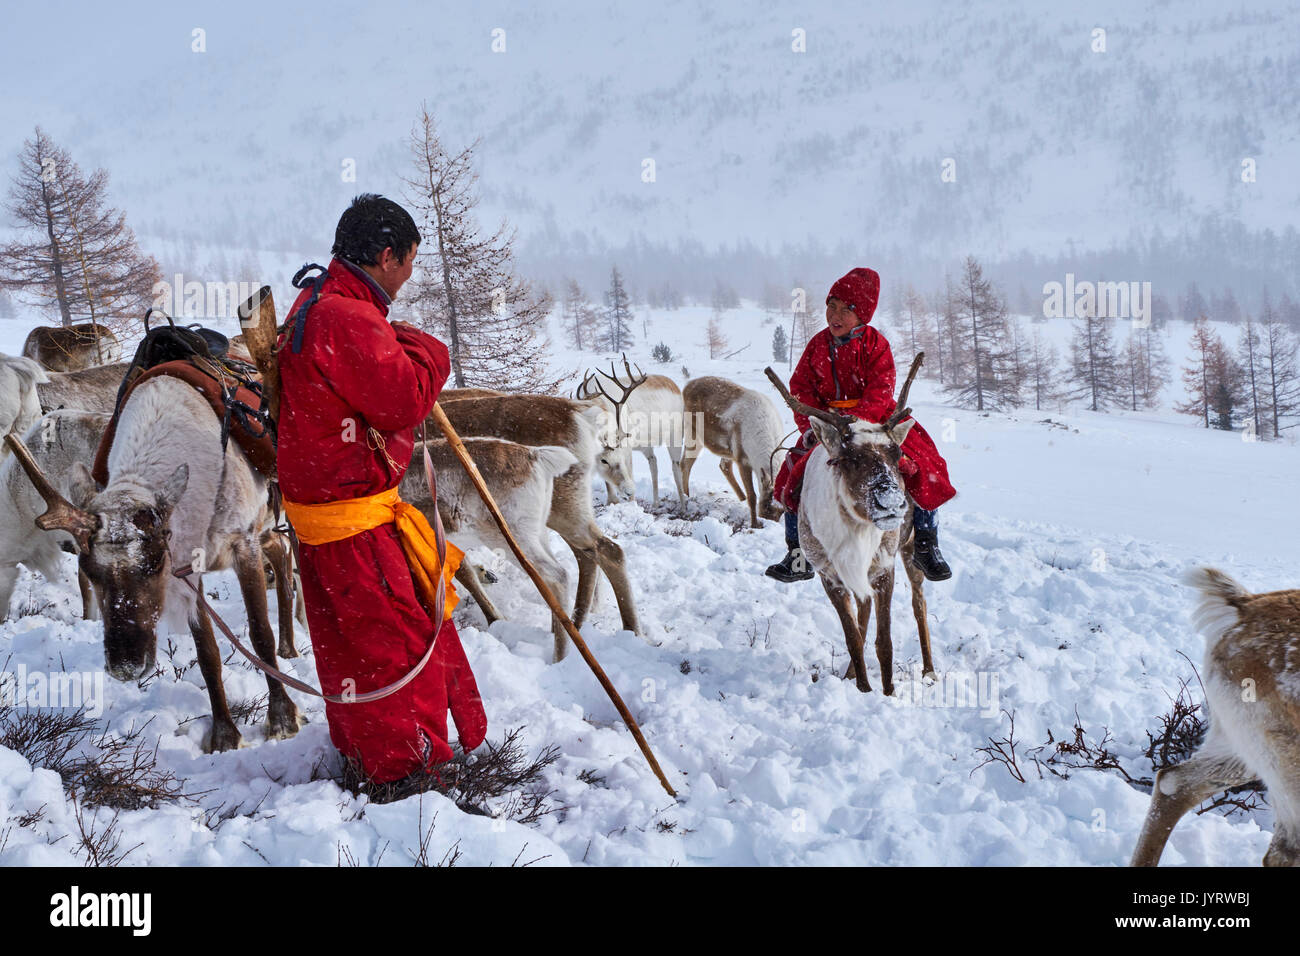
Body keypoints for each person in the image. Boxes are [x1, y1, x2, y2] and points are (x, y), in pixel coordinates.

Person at [275, 194, 487, 790]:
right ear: (388, 255)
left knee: (354, 652)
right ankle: (407, 778)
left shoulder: (320, 302)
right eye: (409, 261)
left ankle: (370, 757)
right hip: (357, 529)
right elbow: (401, 400)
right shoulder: (344, 316)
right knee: (393, 647)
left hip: (329, 524)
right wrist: (428, 348)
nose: (411, 275)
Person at [767, 267, 956, 583]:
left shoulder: (875, 344)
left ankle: (926, 543)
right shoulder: (817, 345)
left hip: (876, 420)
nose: (835, 315)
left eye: (846, 309)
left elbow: (882, 387)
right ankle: (796, 553)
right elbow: (801, 387)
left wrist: (860, 422)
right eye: (832, 305)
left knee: (923, 464)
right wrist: (811, 424)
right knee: (793, 473)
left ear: (863, 315)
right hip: (827, 421)